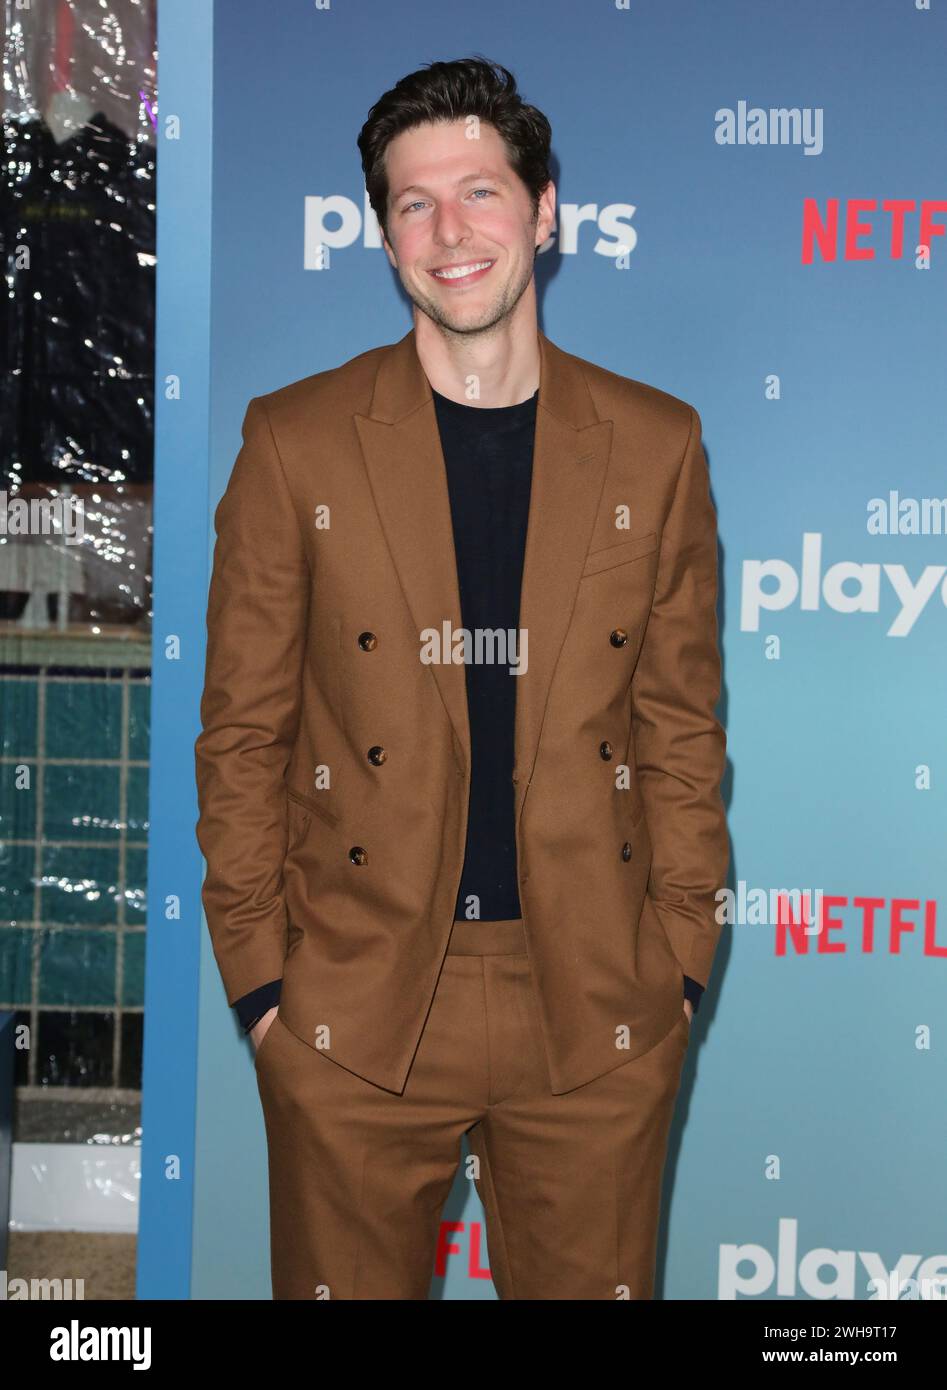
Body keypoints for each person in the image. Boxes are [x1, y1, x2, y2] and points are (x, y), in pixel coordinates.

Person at [194, 55, 729, 1300]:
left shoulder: (656, 445)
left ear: (545, 211)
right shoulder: (295, 441)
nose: (450, 232)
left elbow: (679, 730)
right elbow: (242, 737)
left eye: (481, 192)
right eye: (414, 204)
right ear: (381, 235)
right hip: (354, 1003)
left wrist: (678, 968)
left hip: (595, 999)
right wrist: (266, 991)